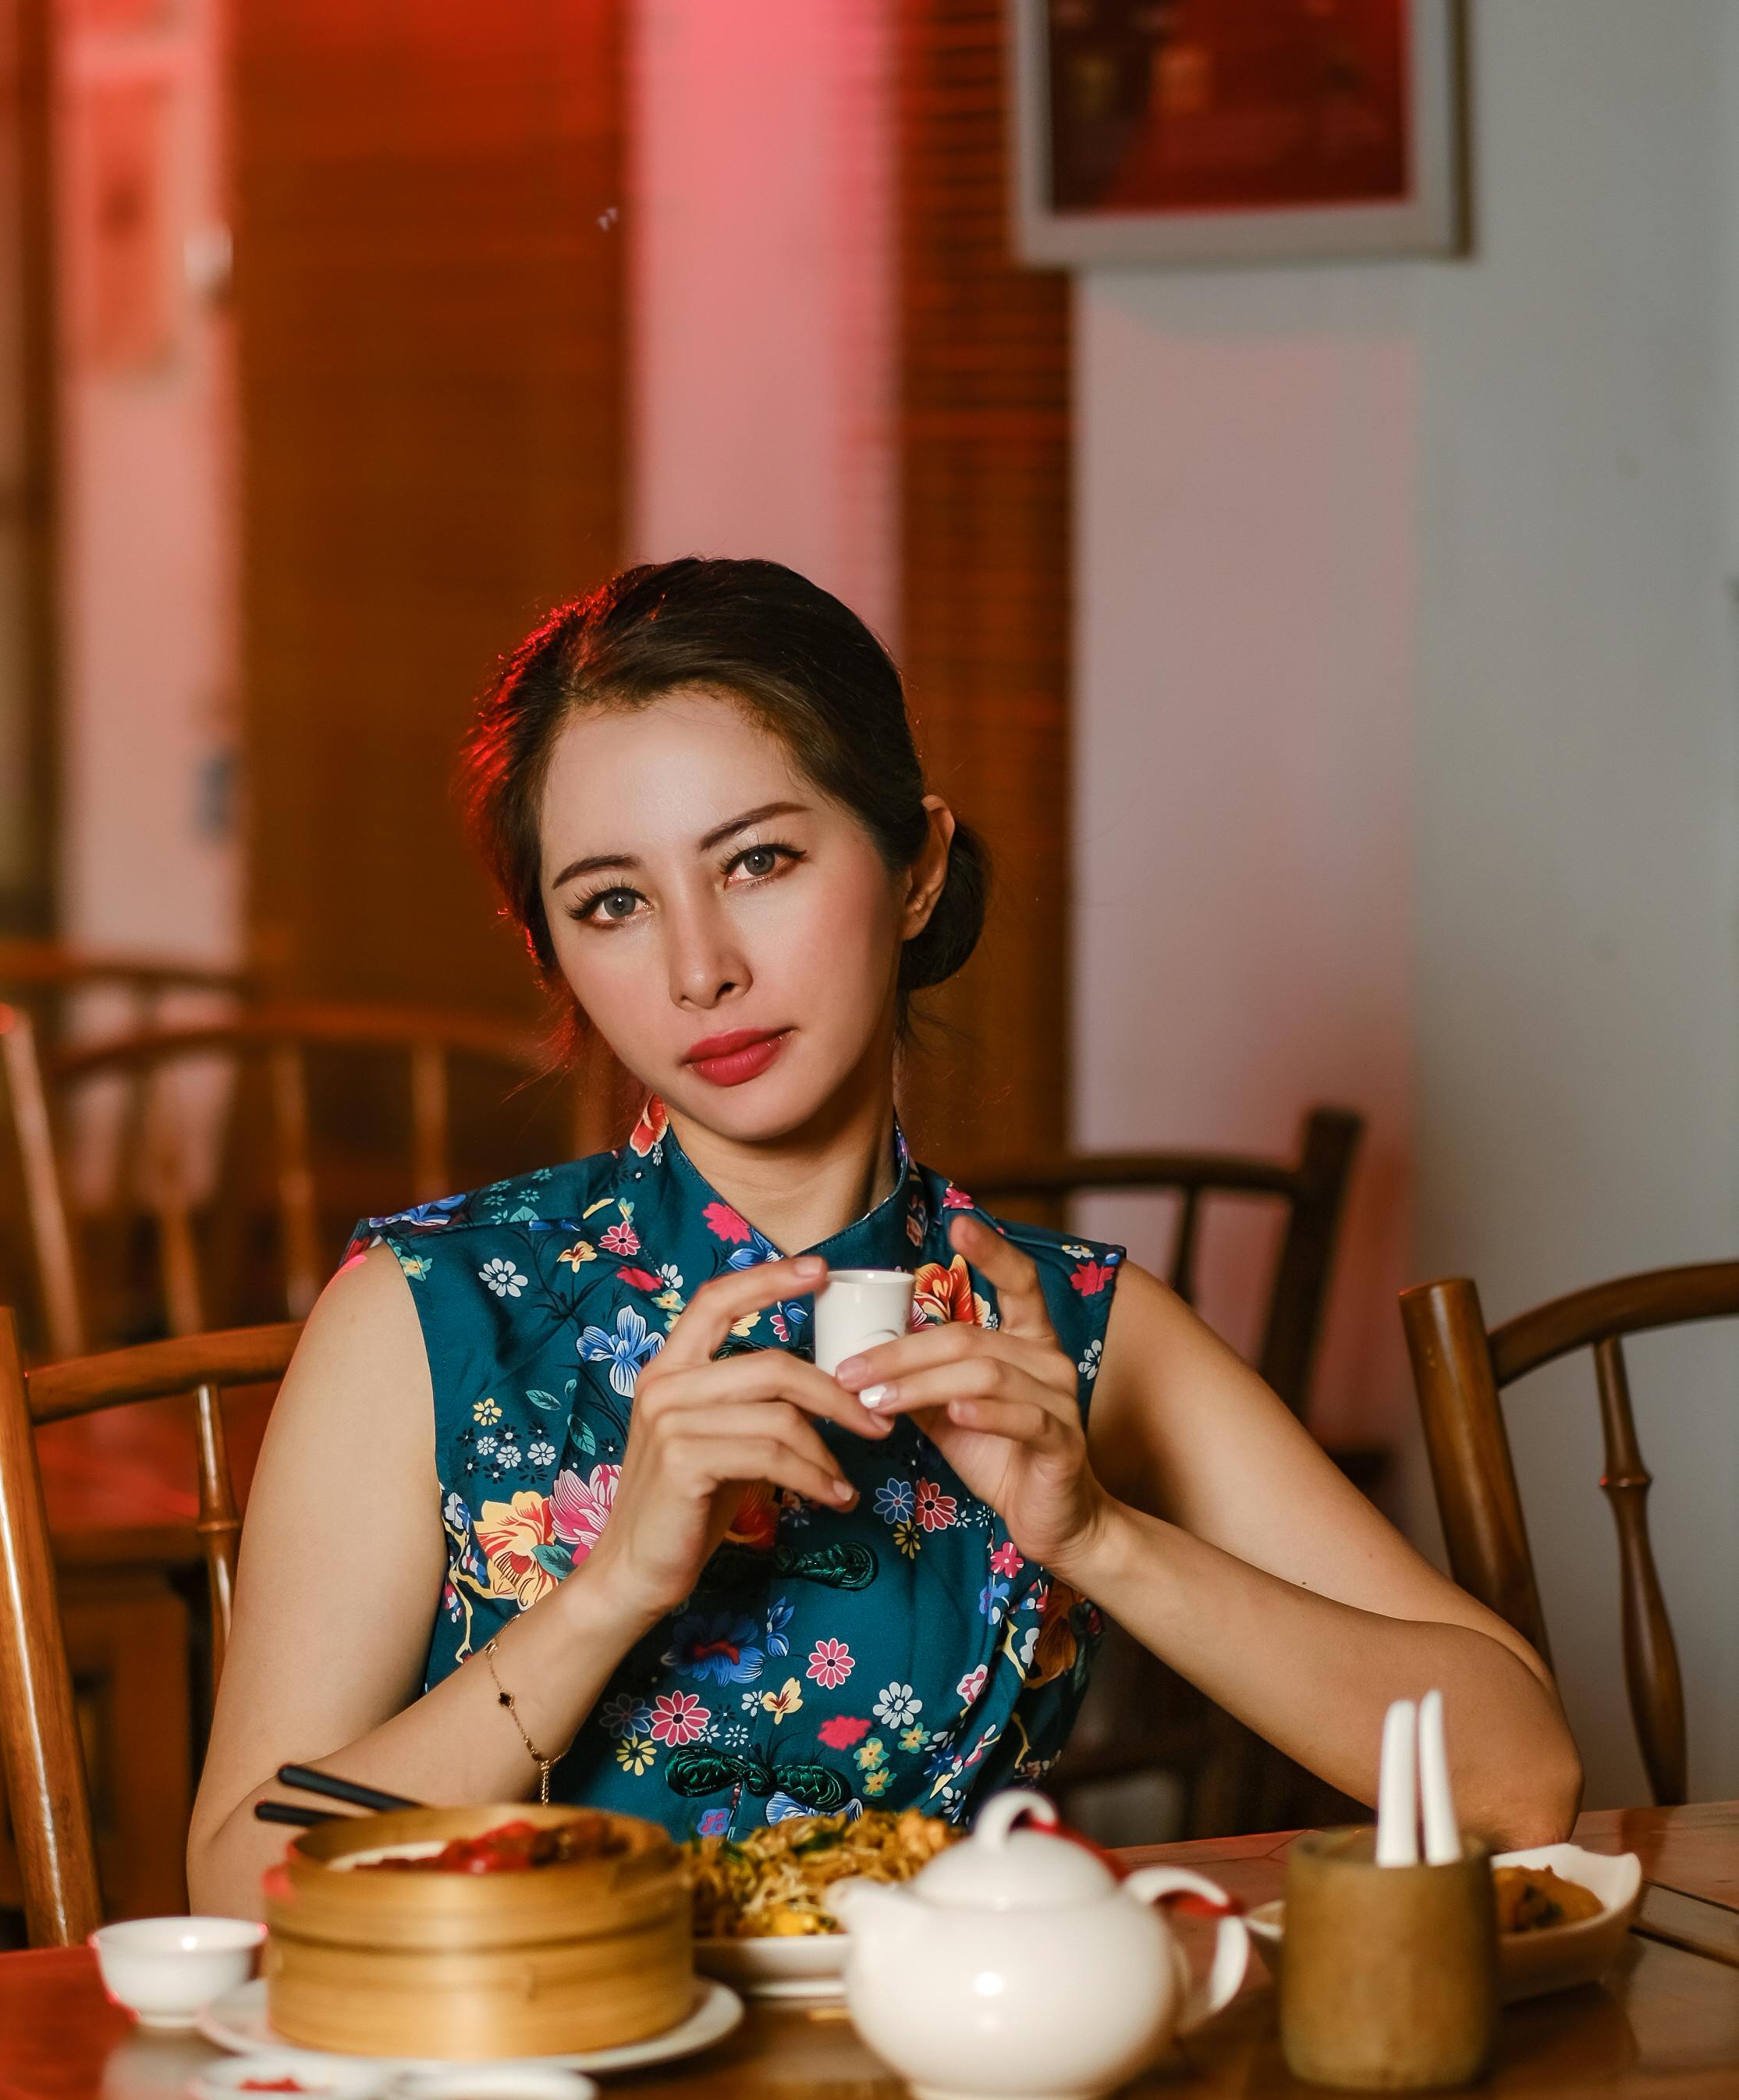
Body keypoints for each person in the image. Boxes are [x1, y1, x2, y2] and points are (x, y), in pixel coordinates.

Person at [188, 557, 1578, 1916]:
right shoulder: (431, 1311)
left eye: (760, 861)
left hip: (965, 2095)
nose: (698, 967)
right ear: (558, 956)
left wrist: (1099, 1538)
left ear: (914, 871)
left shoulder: (1072, 1326)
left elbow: (1521, 1783)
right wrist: (610, 1593)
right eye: (613, 902)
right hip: (528, 2094)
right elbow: (239, 1889)